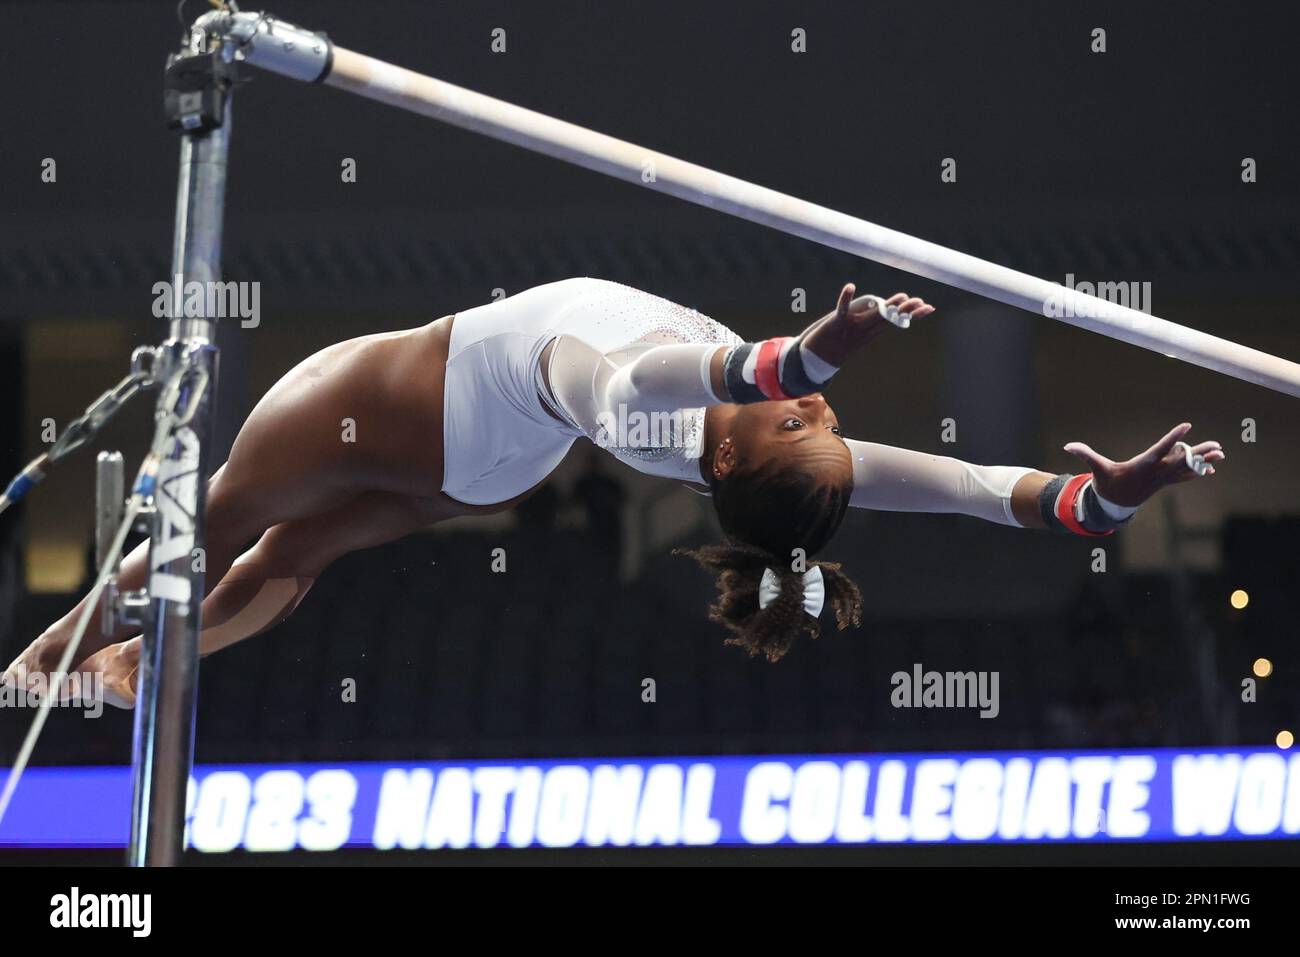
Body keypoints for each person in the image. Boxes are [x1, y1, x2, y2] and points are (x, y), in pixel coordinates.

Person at [2, 278, 1222, 706]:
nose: (819, 416)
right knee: (289, 563)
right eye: (824, 416)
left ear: (738, 455)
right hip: (480, 466)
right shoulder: (772, 452)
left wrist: (819, 351)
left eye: (801, 421)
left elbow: (700, 370)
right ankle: (140, 668)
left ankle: (56, 657)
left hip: (376, 403)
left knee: (218, 526)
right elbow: (975, 488)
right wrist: (1112, 498)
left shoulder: (646, 403)